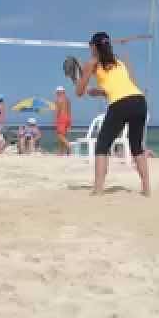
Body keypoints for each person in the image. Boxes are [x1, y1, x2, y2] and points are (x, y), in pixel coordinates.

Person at [73, 32, 151, 196]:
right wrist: (101, 92)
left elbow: (79, 92)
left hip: (120, 104)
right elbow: (125, 86)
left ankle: (98, 189)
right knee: (136, 145)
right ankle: (146, 188)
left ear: (94, 47)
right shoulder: (120, 62)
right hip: (139, 101)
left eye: (90, 46)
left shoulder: (93, 62)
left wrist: (78, 79)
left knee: (102, 145)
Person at [54, 86, 72, 156]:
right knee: (63, 135)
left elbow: (57, 111)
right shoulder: (67, 99)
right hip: (68, 118)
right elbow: (69, 111)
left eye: (57, 92)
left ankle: (68, 146)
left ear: (59, 92)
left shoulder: (58, 99)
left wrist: (56, 120)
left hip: (61, 118)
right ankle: (61, 152)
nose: (56, 94)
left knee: (60, 135)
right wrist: (70, 122)